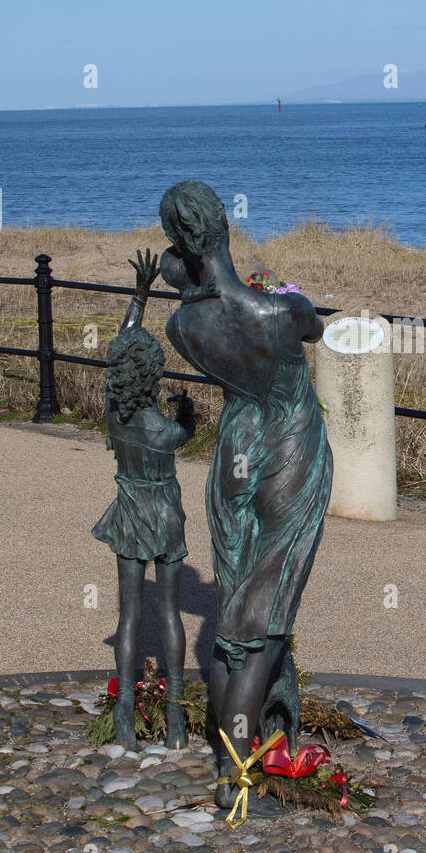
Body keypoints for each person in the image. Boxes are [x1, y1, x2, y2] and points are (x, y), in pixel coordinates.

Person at [158, 181, 332, 815]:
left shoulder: (183, 324)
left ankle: (239, 740)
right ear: (223, 226)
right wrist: (276, 285)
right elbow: (311, 323)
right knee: (264, 615)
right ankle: (239, 766)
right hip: (289, 449)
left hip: (234, 454)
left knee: (235, 603)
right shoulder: (278, 313)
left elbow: (209, 310)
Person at [92, 249, 195, 751]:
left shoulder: (116, 413)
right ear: (154, 374)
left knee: (129, 615)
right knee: (170, 613)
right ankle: (175, 717)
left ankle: (126, 717)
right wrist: (190, 412)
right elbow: (185, 433)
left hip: (129, 511)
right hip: (164, 513)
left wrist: (139, 296)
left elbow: (121, 347)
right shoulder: (162, 429)